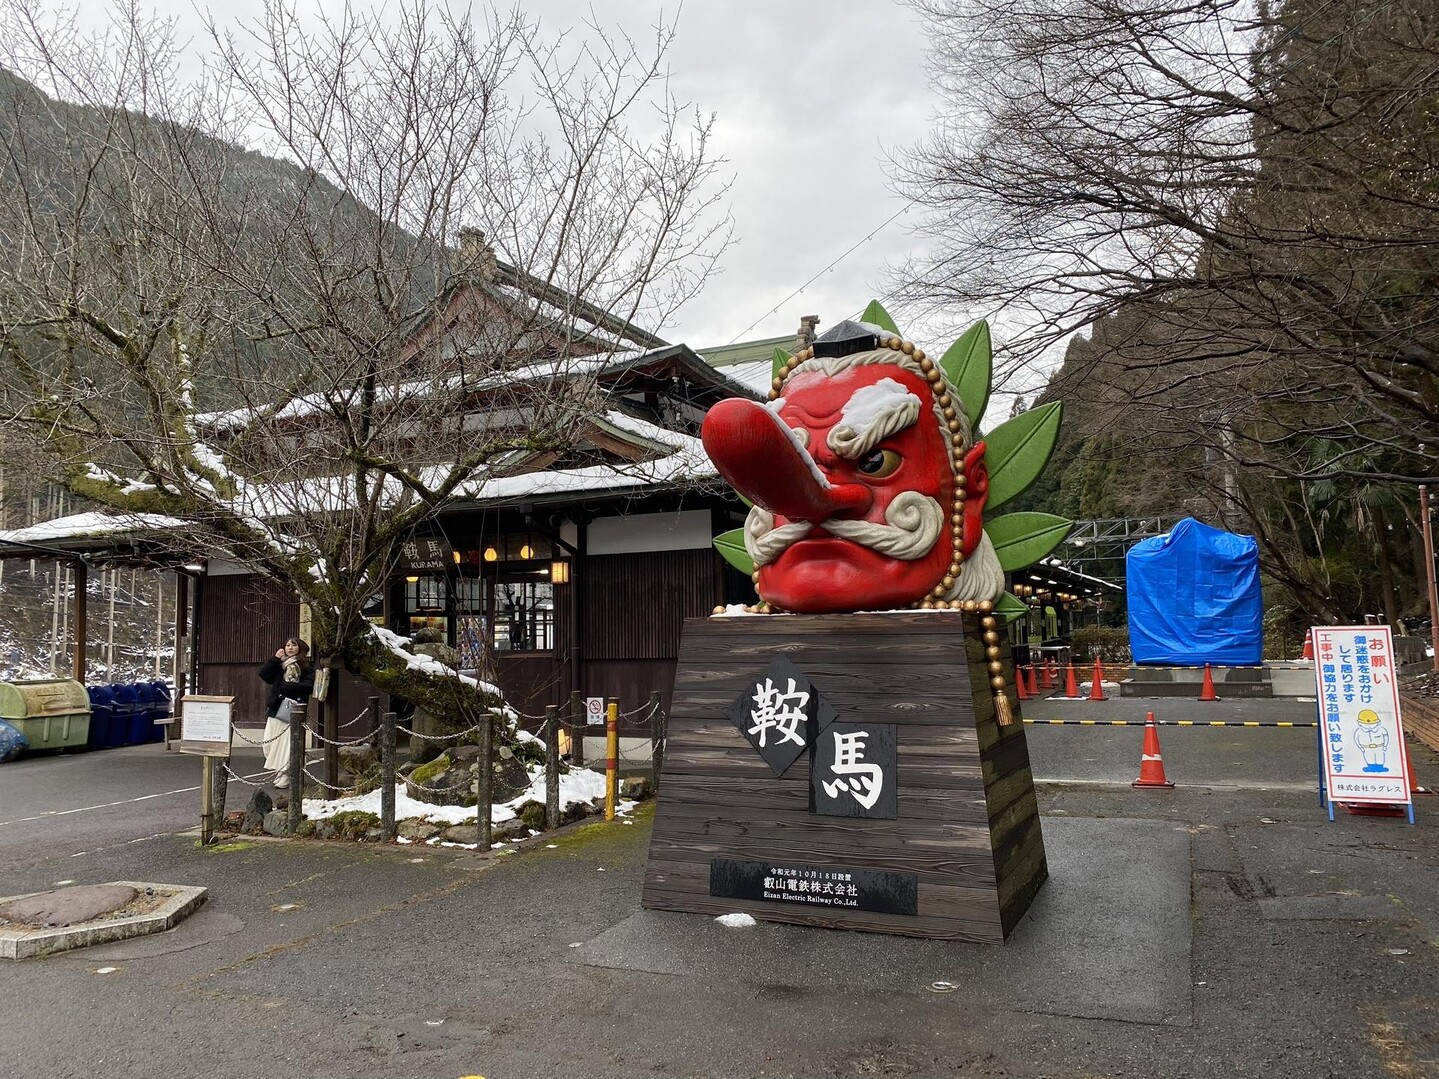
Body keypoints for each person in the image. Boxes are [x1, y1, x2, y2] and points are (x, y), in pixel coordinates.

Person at [258, 637, 314, 787]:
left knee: (286, 743)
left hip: (293, 708)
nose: (289, 647)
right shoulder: (281, 665)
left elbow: (308, 687)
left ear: (300, 649)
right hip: (276, 706)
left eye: (293, 645)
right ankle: (280, 771)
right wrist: (274, 659)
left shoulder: (306, 667)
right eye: (287, 645)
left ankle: (287, 773)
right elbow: (264, 675)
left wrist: (286, 687)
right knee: (269, 743)